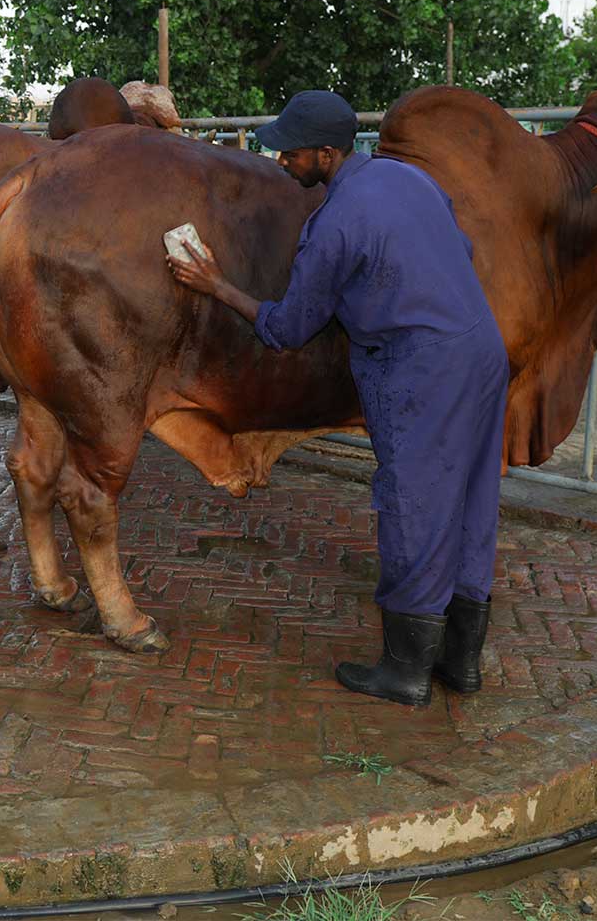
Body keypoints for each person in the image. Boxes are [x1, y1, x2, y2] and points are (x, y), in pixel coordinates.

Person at [167, 90, 509, 708]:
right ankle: (461, 664)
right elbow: (457, 251)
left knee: (415, 506)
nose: (279, 160)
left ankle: (405, 672)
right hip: (481, 349)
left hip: (423, 368)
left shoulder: (337, 222)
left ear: (326, 154)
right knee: (471, 498)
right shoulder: (405, 178)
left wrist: (215, 284)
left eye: (290, 152)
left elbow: (288, 328)